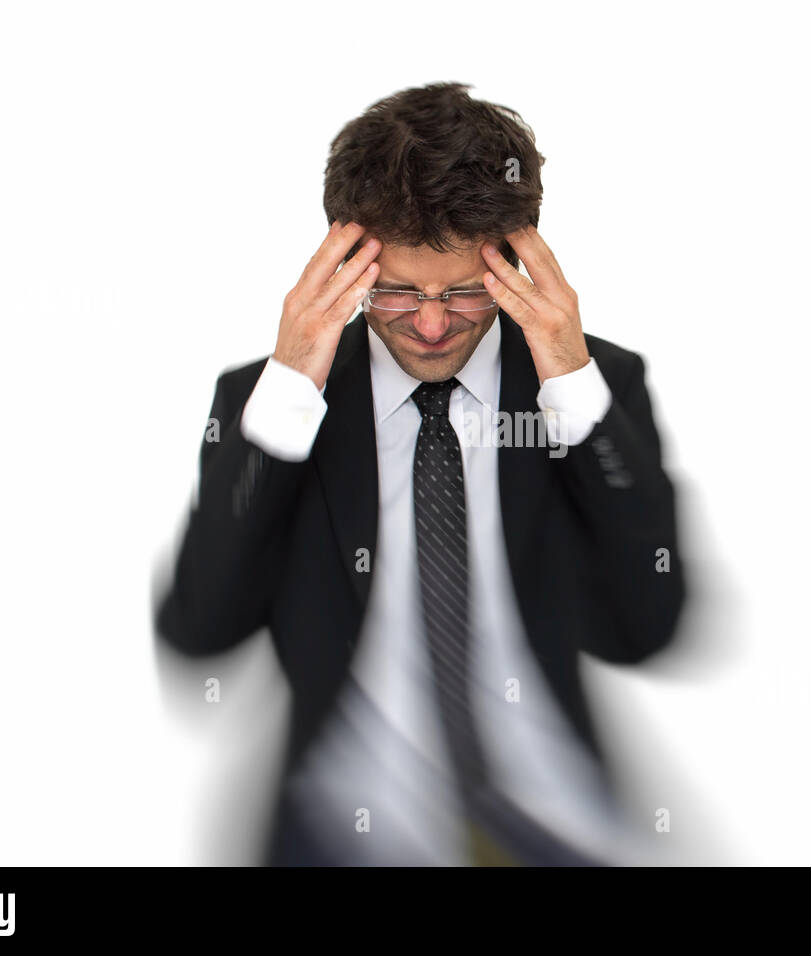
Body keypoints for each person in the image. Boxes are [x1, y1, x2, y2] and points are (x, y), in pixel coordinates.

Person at [154, 82, 685, 865]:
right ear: (344, 257)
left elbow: (646, 629)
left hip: (551, 824)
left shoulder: (593, 385)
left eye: (466, 292)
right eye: (398, 291)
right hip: (342, 829)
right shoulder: (269, 402)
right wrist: (290, 390)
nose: (433, 325)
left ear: (516, 261)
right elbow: (200, 629)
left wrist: (572, 388)